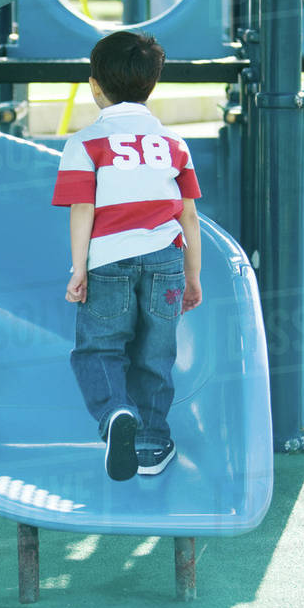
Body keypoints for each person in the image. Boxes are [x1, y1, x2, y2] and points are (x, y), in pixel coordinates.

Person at [52, 30, 203, 482]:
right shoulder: (174, 144)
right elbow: (189, 216)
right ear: (151, 85)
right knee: (155, 353)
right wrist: (193, 277)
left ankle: (116, 412)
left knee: (99, 348)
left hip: (108, 262)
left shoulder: (85, 143)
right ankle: (152, 444)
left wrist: (79, 269)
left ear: (95, 86)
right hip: (166, 260)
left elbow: (83, 210)